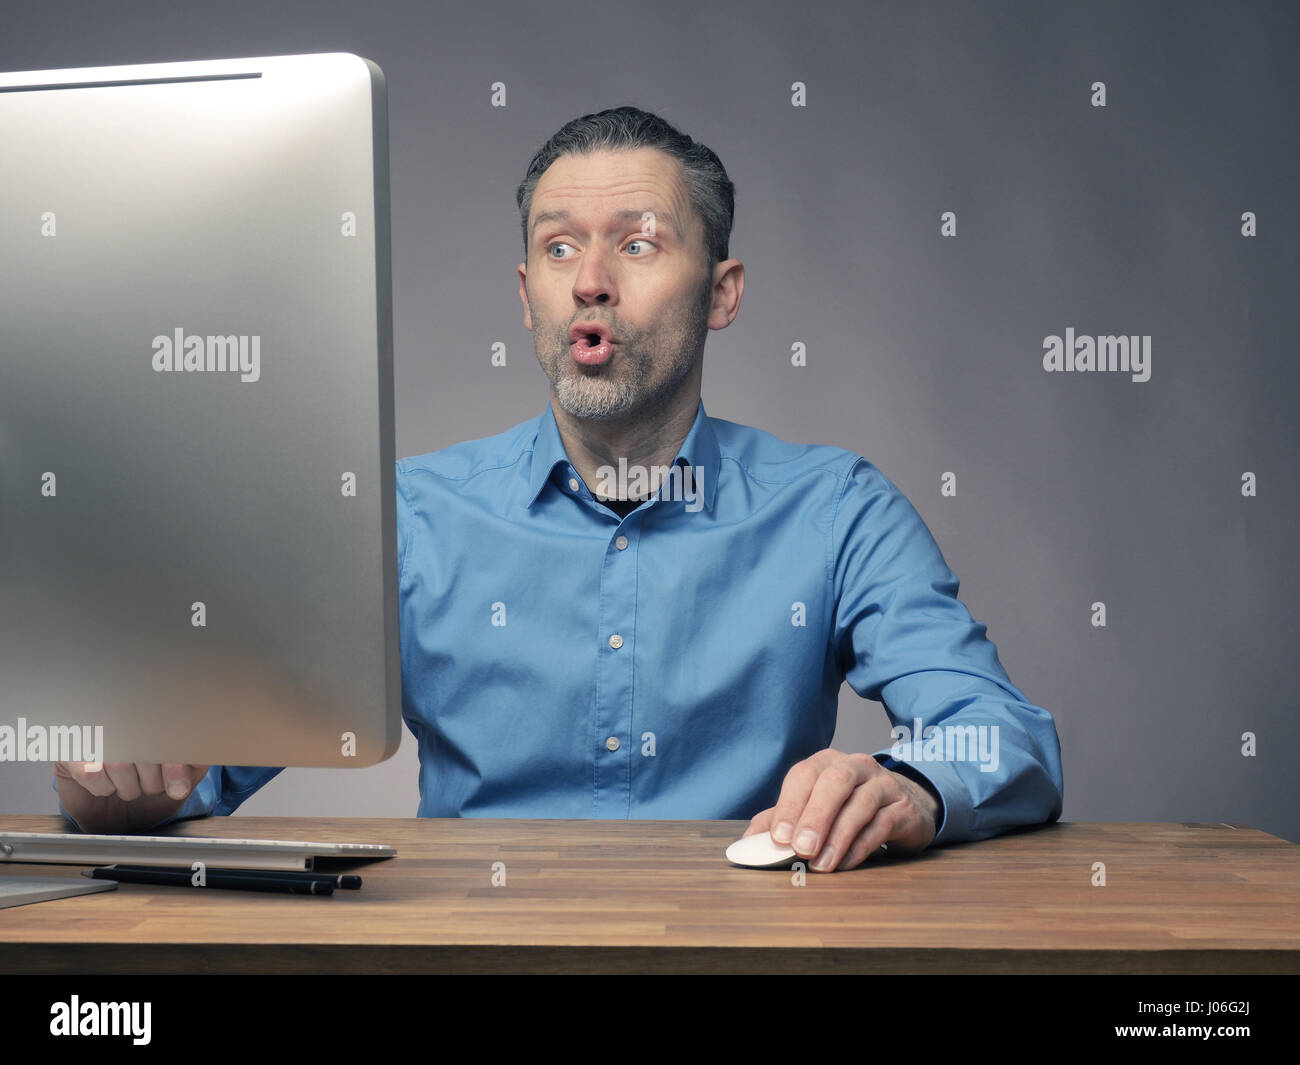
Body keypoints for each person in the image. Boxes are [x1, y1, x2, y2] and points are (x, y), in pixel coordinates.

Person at [55, 106, 1063, 872]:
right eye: (558, 247)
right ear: (526, 293)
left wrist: (910, 786)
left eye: (636, 243)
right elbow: (190, 771)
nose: (590, 281)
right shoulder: (405, 522)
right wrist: (123, 783)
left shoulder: (837, 510)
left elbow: (1003, 735)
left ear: (721, 293)